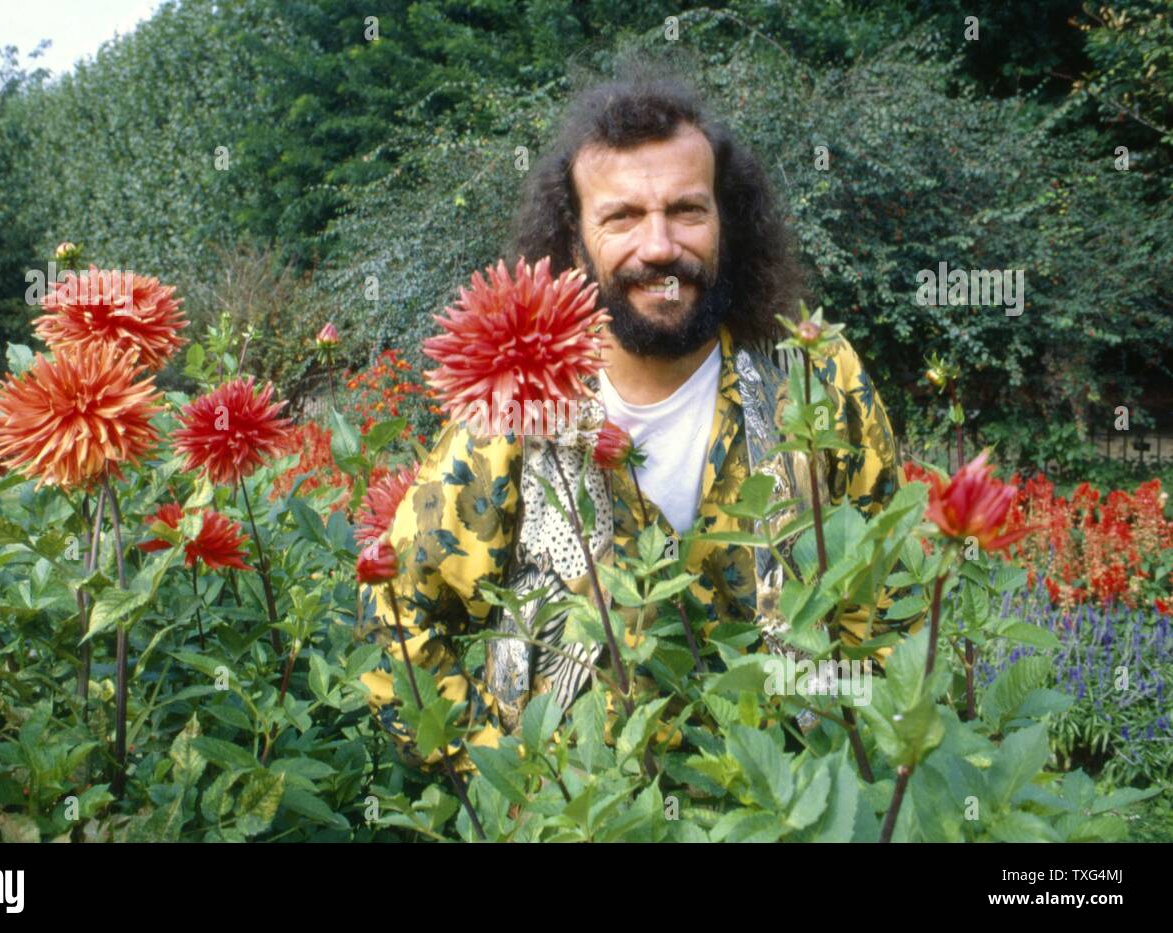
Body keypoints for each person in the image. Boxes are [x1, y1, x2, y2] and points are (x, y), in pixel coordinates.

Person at [357, 64, 900, 770]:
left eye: (687, 210)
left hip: (782, 807)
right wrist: (511, 782)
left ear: (727, 223)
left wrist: (844, 759)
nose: (659, 246)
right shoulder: (516, 402)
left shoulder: (817, 373)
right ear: (574, 240)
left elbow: (898, 599)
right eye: (621, 217)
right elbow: (400, 617)